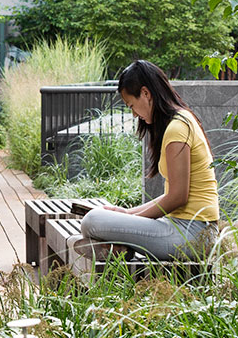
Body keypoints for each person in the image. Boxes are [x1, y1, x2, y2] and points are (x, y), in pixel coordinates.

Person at [79, 60, 220, 262]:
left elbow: (178, 197)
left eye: (132, 106)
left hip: (193, 235)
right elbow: (170, 195)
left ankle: (119, 247)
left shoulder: (177, 128)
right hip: (187, 228)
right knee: (99, 217)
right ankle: (119, 248)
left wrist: (130, 220)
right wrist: (127, 212)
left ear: (145, 93)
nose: (134, 113)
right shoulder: (180, 121)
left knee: (92, 221)